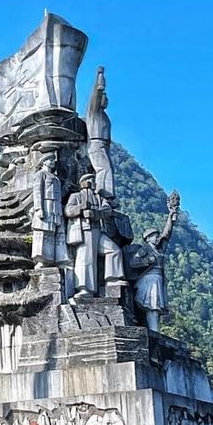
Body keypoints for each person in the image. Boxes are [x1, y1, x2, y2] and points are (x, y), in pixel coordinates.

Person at [64, 174, 126, 297]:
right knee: (86, 259)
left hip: (99, 230)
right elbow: (68, 211)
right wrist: (81, 208)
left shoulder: (99, 198)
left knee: (114, 250)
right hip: (85, 230)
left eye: (94, 181)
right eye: (91, 181)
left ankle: (112, 279)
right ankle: (84, 289)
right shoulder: (76, 196)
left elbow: (107, 210)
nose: (93, 183)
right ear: (84, 182)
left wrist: (95, 213)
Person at [129, 191, 180, 331]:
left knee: (155, 307)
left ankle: (154, 329)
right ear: (148, 238)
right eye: (155, 236)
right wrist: (148, 261)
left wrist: (171, 216)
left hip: (158, 279)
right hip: (148, 279)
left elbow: (167, 234)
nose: (158, 238)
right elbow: (133, 263)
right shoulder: (144, 249)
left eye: (157, 235)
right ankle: (152, 329)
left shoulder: (160, 249)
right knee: (150, 305)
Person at [31, 152, 69, 268]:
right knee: (43, 232)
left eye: (53, 160)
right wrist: (38, 208)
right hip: (45, 205)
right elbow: (37, 192)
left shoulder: (56, 178)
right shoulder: (40, 174)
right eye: (50, 160)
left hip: (55, 207)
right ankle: (41, 260)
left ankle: (51, 259)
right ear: (44, 162)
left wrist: (66, 188)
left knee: (53, 234)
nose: (53, 162)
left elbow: (59, 195)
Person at [86, 66, 114, 199]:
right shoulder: (94, 112)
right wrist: (100, 77)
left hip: (105, 145)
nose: (106, 100)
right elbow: (95, 94)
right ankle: (103, 194)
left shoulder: (104, 116)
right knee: (104, 169)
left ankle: (106, 196)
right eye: (104, 98)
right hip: (95, 143)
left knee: (109, 169)